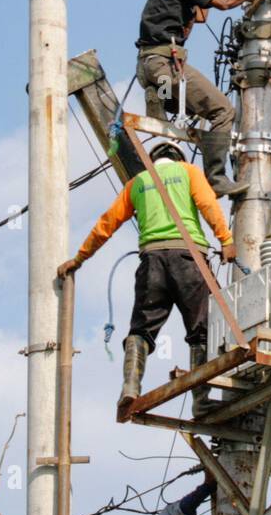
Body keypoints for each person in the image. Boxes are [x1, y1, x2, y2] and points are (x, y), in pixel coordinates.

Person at [57, 142, 232, 416]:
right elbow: (208, 205)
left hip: (151, 264)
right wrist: (226, 240)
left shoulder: (136, 183)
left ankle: (130, 386)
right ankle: (201, 400)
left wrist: (79, 259)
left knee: (141, 329)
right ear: (177, 157)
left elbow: (106, 224)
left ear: (152, 160)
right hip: (189, 259)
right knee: (202, 329)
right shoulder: (188, 171)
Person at [136, 0, 271, 197]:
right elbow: (222, 3)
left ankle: (159, 97)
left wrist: (199, 0)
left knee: (181, 106)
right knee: (222, 111)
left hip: (150, 66)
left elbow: (200, 16)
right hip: (165, 63)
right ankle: (217, 179)